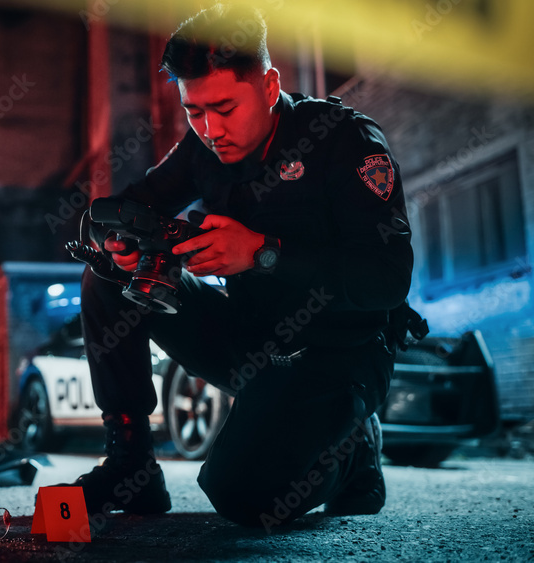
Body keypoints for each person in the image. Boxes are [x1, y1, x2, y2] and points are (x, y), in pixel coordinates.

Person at [66, 4, 413, 528]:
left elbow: (388, 279)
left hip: (339, 353)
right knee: (108, 278)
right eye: (194, 111)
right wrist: (120, 240)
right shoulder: (203, 148)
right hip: (253, 340)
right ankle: (131, 464)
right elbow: (129, 205)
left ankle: (351, 455)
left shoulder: (345, 141)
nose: (210, 129)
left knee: (239, 494)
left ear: (269, 87)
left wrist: (261, 251)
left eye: (225, 108)